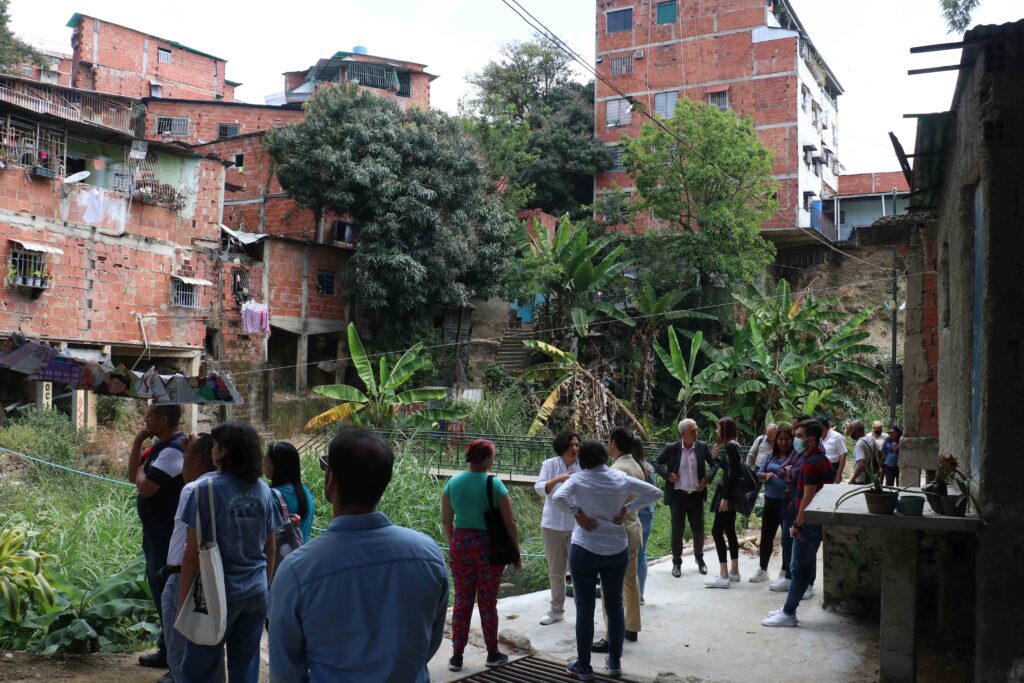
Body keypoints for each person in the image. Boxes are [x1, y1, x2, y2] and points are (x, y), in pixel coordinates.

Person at [269, 429, 449, 682]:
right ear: (384, 483)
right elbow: (428, 643)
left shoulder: (297, 571)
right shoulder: (429, 555)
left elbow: (286, 671)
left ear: (331, 480)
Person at [178, 422, 283, 683]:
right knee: (246, 663)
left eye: (215, 444)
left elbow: (191, 555)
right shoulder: (264, 491)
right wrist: (265, 586)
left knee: (199, 665)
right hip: (255, 589)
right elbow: (270, 548)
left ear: (223, 451)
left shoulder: (204, 491)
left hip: (216, 590)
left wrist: (182, 603)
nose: (212, 448)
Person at [552, 441, 661, 681]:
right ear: (603, 456)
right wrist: (627, 509)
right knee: (615, 606)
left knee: (584, 609)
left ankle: (584, 666)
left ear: (584, 460)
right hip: (616, 549)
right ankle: (614, 662)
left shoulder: (578, 479)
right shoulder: (619, 478)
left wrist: (577, 514)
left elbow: (558, 497)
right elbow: (655, 492)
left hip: (585, 549)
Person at [442, 439, 520, 672]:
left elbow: (447, 520)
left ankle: (456, 656)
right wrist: (515, 552)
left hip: (460, 544)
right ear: (486, 460)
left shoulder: (452, 483)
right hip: (488, 547)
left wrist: (456, 542)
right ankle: (492, 653)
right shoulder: (494, 485)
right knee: (487, 602)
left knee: (462, 602)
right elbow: (511, 522)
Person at [127, 403, 185, 673]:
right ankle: (167, 648)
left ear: (163, 419)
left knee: (167, 594)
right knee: (161, 592)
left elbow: (146, 487)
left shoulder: (174, 450)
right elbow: (132, 476)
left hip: (166, 535)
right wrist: (139, 440)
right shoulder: (161, 447)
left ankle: (172, 656)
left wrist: (140, 475)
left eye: (149, 415)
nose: (145, 419)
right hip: (156, 533)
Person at [762, 419, 833, 628]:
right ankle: (788, 607)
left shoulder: (811, 464)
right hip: (816, 521)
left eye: (799, 436)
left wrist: (798, 524)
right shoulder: (820, 459)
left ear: (811, 439)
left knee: (798, 567)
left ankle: (788, 613)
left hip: (808, 523)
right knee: (803, 566)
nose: (796, 440)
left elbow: (807, 497)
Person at [161, 433, 217, 683]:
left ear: (198, 460)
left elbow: (189, 546)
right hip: (206, 578)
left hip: (181, 575)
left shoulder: (192, 489)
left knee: (177, 649)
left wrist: (182, 592)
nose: (182, 461)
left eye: (186, 457)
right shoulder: (222, 486)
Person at [591, 427, 645, 653]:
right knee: (630, 580)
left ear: (613, 443)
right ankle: (631, 627)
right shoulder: (636, 466)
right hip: (634, 527)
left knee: (609, 585)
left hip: (618, 531)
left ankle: (609, 635)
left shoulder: (616, 469)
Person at [653, 419, 719, 578]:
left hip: (696, 496)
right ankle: (676, 563)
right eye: (693, 431)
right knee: (677, 531)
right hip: (677, 497)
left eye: (697, 430)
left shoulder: (702, 447)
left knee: (698, 530)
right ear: (683, 434)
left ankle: (700, 559)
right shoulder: (672, 448)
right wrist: (668, 475)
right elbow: (655, 462)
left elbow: (715, 464)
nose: (697, 433)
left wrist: (707, 479)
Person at [534, 431, 580, 626]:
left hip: (577, 525)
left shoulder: (583, 466)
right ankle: (556, 611)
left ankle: (583, 612)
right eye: (572, 445)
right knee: (556, 571)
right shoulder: (550, 464)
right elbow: (539, 487)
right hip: (552, 524)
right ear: (563, 446)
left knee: (579, 570)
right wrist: (558, 479)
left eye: (578, 445)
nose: (575, 449)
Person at [750, 426, 794, 584]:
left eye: (787, 439)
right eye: (780, 439)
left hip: (787, 502)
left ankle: (784, 571)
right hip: (770, 500)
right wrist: (764, 475)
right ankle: (763, 569)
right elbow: (758, 473)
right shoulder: (770, 456)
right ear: (776, 441)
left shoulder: (795, 458)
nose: (783, 442)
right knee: (767, 536)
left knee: (786, 538)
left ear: (792, 440)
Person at [705, 417, 743, 589]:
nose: (716, 430)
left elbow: (733, 475)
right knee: (729, 530)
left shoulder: (730, 446)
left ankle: (724, 575)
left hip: (727, 494)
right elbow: (727, 469)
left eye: (718, 427)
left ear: (725, 429)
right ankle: (734, 572)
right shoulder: (733, 446)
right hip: (730, 494)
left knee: (716, 531)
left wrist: (725, 498)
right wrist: (712, 458)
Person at [264, 441, 316, 542]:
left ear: (276, 466)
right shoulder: (306, 493)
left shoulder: (272, 497)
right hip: (305, 554)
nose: (263, 464)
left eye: (266, 460)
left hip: (284, 557)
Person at [630, 435, 656, 604]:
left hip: (630, 513)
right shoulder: (648, 468)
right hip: (646, 513)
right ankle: (639, 595)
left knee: (628, 555)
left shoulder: (627, 468)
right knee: (642, 554)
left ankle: (628, 593)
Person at [745, 424, 777, 509]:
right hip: (757, 470)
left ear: (776, 434)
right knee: (751, 494)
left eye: (771, 436)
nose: (768, 437)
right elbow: (751, 455)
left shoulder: (779, 443)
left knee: (770, 495)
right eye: (767, 434)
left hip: (771, 472)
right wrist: (747, 469)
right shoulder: (760, 439)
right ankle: (744, 517)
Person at [816, 415, 848, 483]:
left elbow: (843, 454)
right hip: (821, 469)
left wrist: (839, 474)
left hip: (832, 468)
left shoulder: (837, 437)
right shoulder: (820, 438)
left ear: (823, 427)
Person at [847, 420, 877, 485]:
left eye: (851, 431)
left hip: (861, 481)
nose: (850, 434)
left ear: (857, 431)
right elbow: (881, 455)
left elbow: (861, 464)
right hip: (872, 479)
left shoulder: (860, 443)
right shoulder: (872, 440)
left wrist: (852, 480)